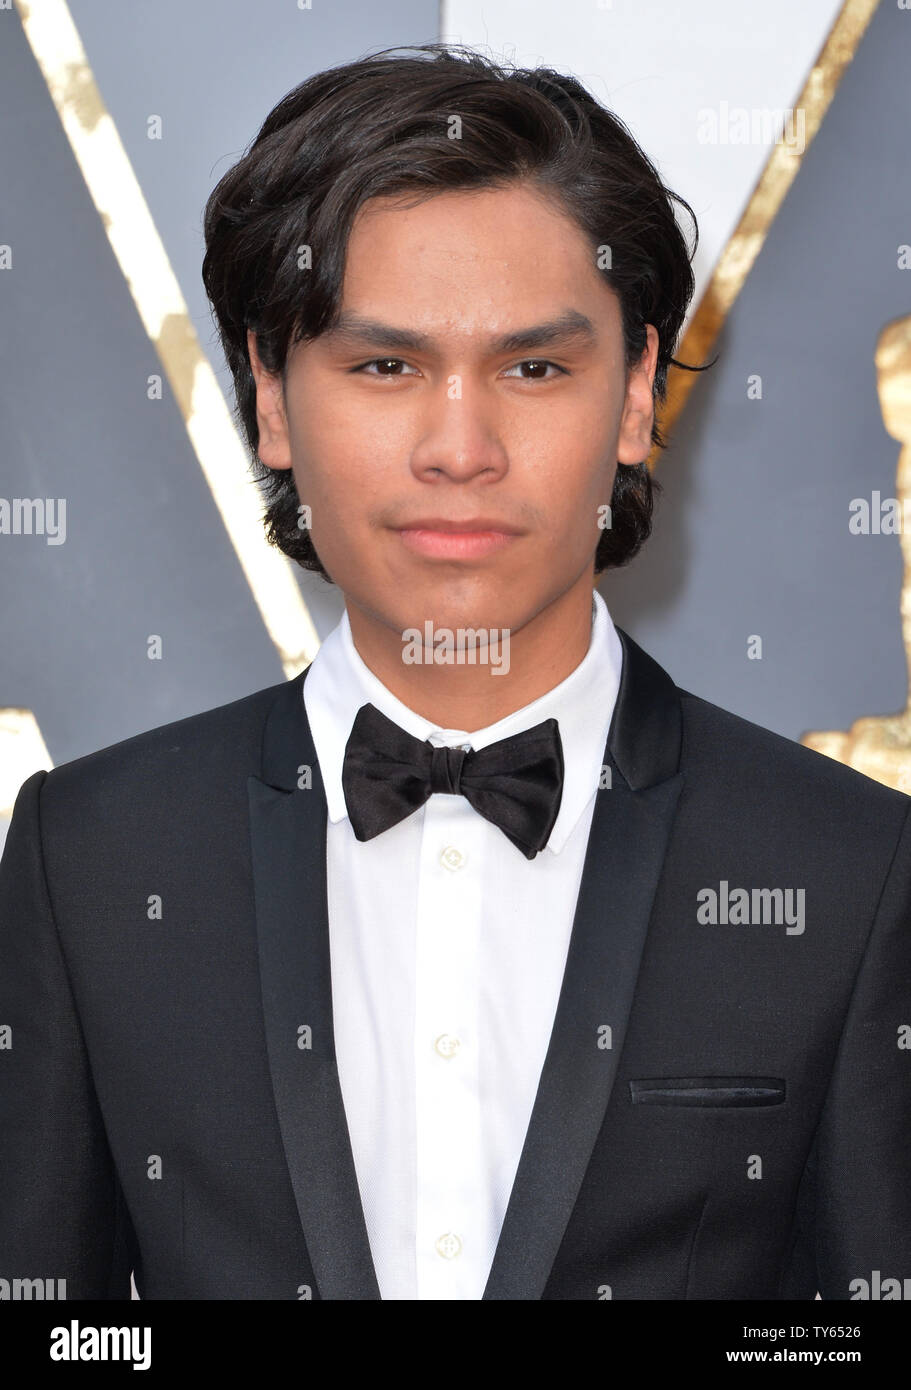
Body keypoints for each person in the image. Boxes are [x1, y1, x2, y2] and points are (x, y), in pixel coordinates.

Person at [1, 43, 909, 1302]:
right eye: (385, 366)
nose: (459, 449)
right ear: (270, 393)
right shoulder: (88, 857)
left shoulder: (850, 871)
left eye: (534, 368)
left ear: (637, 389)